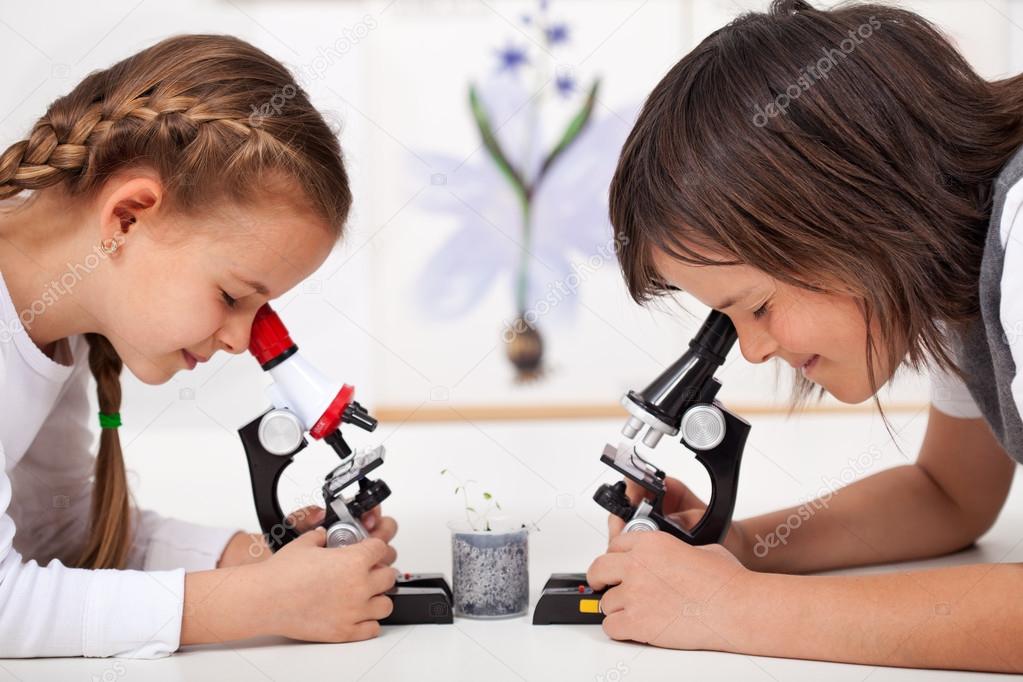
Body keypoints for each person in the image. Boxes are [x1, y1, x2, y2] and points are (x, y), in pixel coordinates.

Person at [587, 0, 1023, 672]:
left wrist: (736, 611)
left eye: (757, 306)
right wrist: (727, 547)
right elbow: (950, 494)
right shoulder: (952, 270)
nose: (755, 349)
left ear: (851, 210)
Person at [0, 34, 397, 658]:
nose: (243, 341)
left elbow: (58, 533)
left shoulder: (58, 332)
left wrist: (264, 559)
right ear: (128, 217)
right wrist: (257, 604)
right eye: (235, 296)